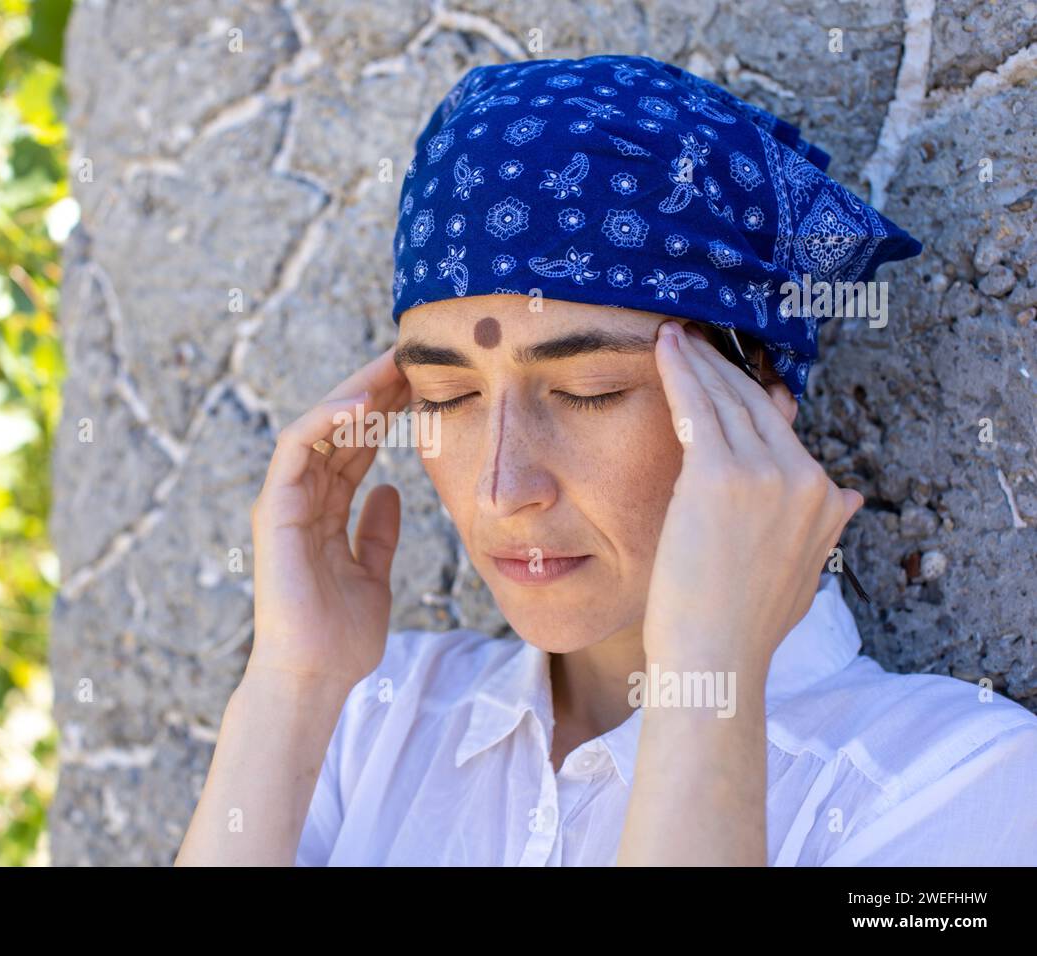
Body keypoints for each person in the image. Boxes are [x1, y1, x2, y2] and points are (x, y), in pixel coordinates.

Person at [174, 55, 1037, 866]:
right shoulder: (363, 720)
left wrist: (708, 683)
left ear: (759, 389)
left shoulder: (960, 785)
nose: (502, 488)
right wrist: (290, 686)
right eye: (446, 397)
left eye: (588, 389)